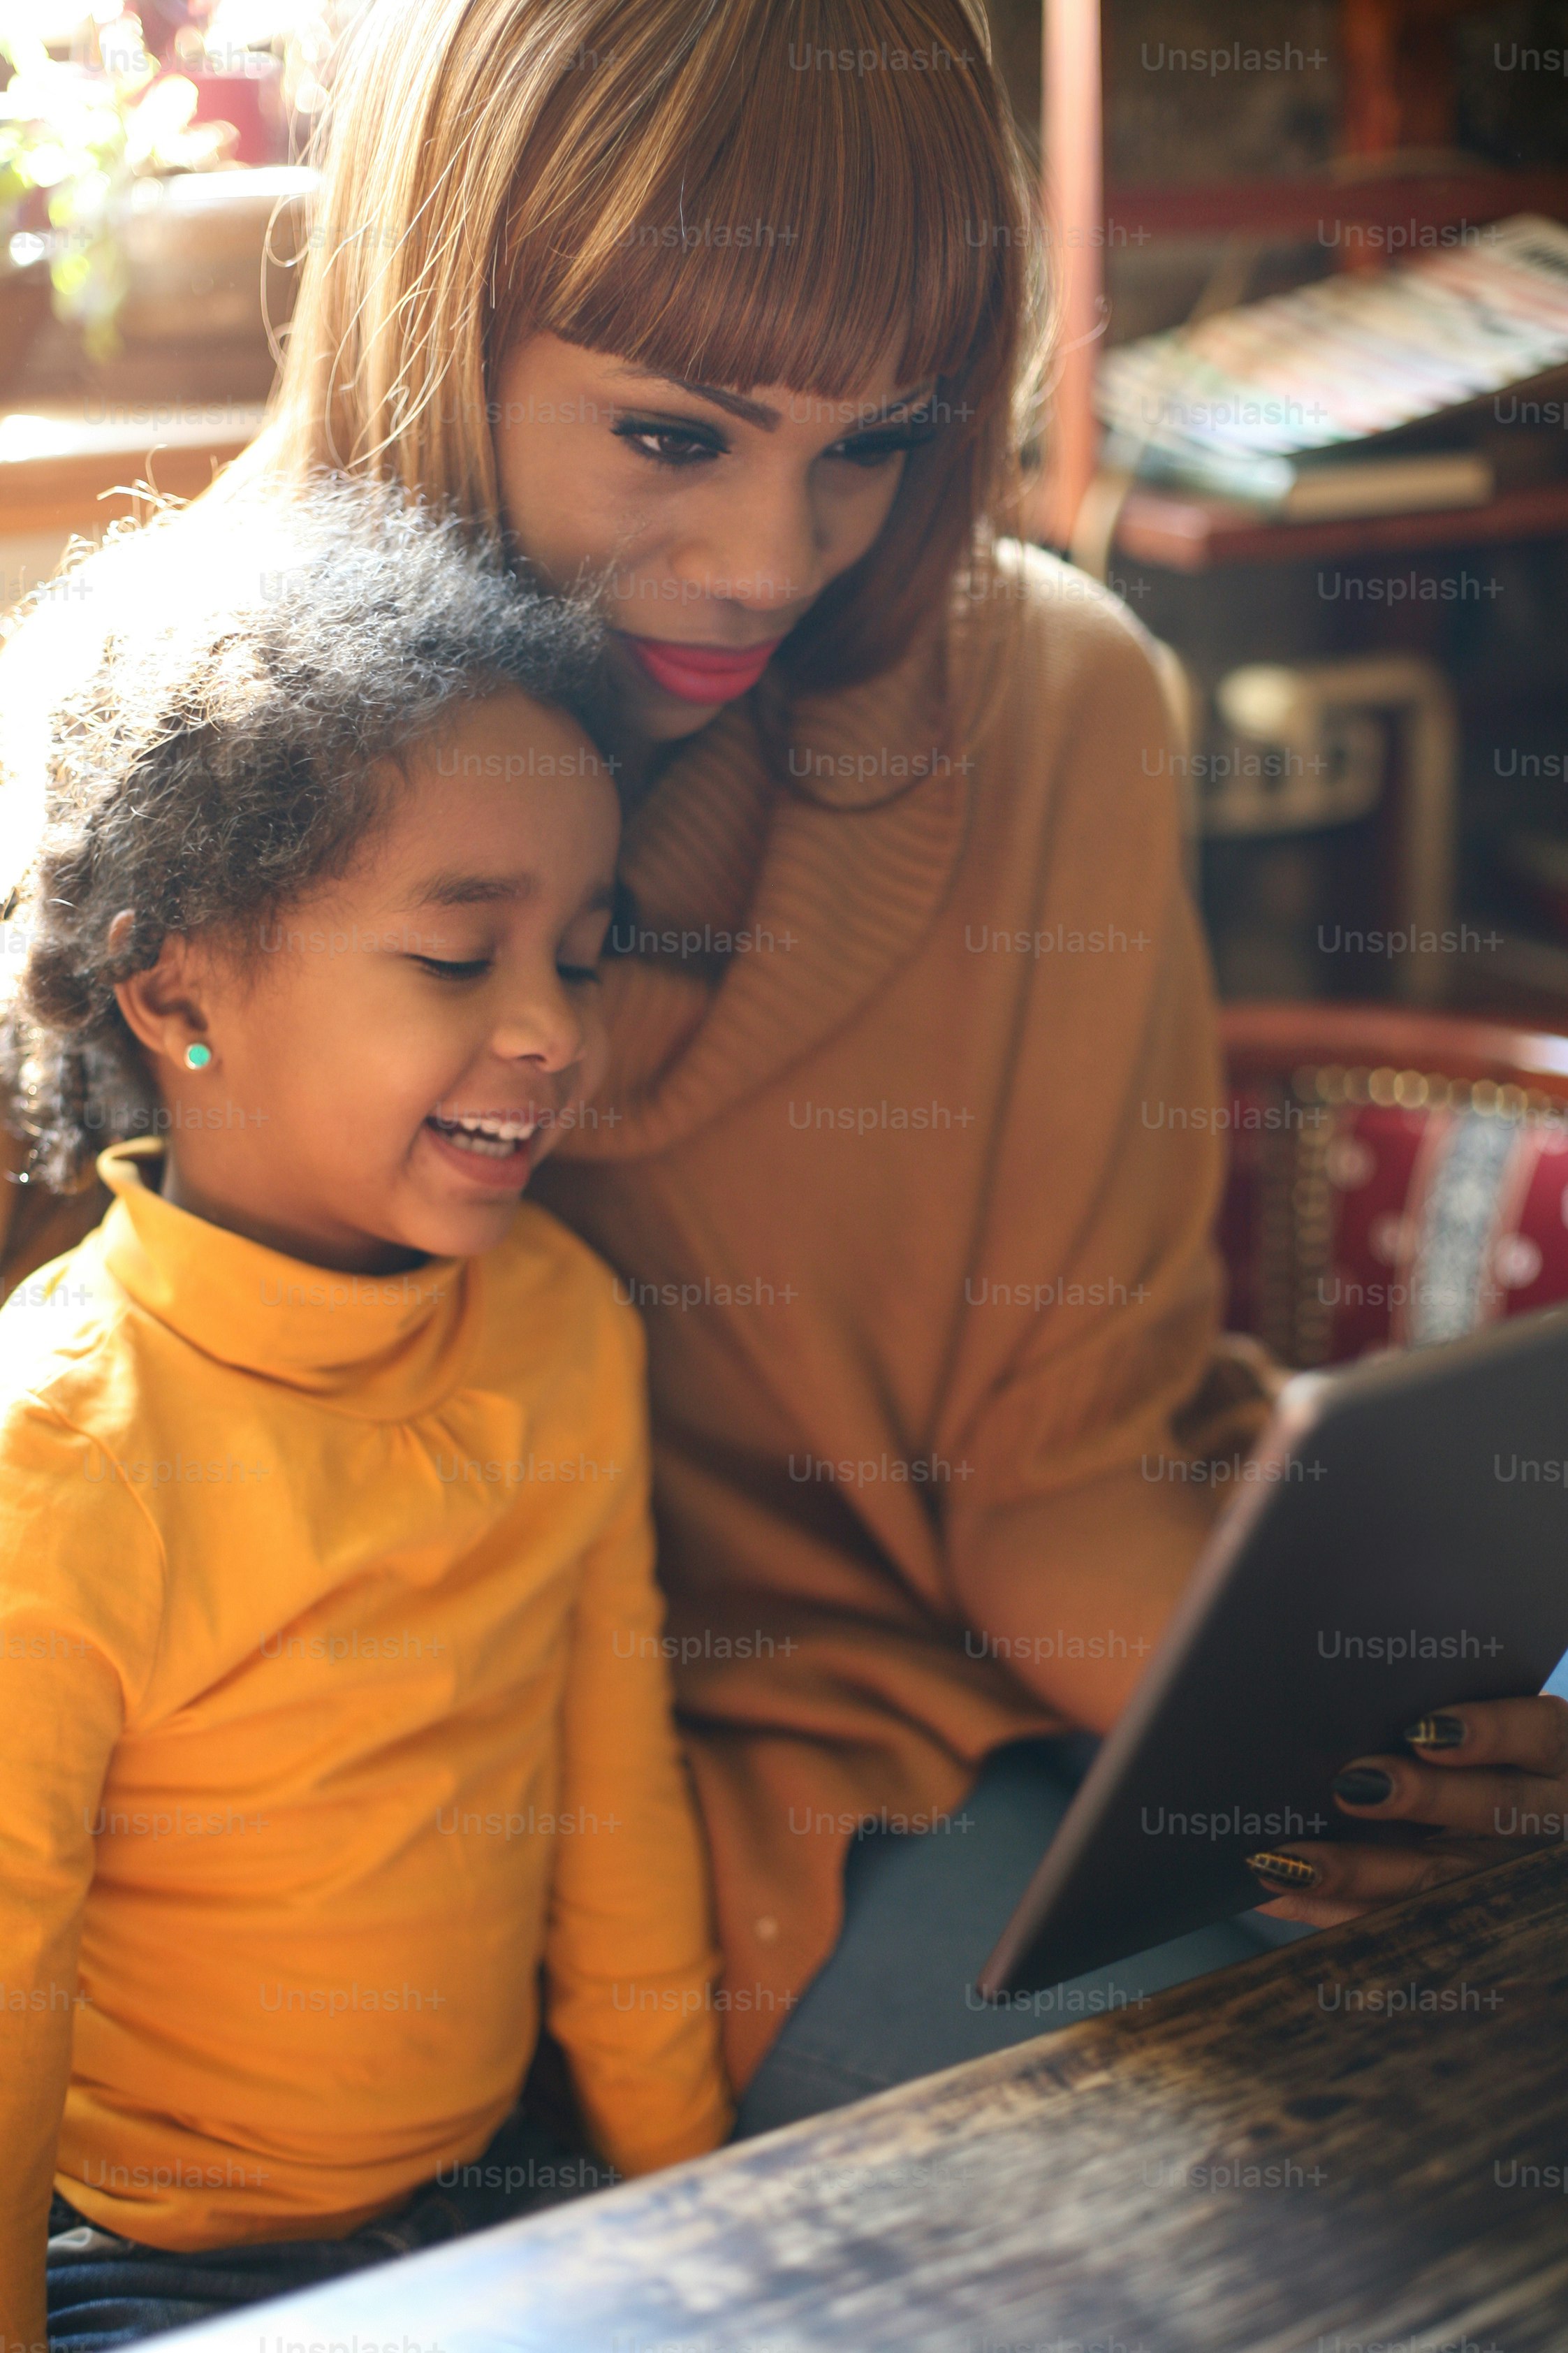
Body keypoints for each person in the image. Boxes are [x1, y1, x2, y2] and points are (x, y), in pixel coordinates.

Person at [6, 0, 1566, 2176]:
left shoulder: (1051, 705)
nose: (774, 559)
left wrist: (1396, 1732)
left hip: (1078, 1710)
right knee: (1321, 2153)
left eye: (879, 442)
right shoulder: (142, 742)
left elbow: (1061, 1481)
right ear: (439, 316)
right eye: (675, 436)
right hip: (528, 1879)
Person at [0, 480, 731, 2352]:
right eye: (454, 954)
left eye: (580, 951)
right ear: (178, 992)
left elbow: (616, 1807)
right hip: (146, 2266)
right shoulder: (61, 1451)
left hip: (506, 2190)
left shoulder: (560, 1323)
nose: (554, 1030)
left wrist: (706, 2218)